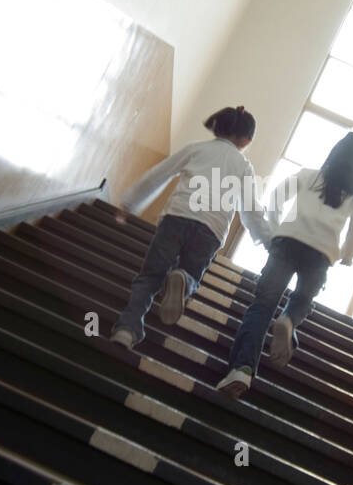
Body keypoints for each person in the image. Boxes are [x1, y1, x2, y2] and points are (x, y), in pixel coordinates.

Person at [216, 132, 353, 398]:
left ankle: (241, 369)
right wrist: (346, 254)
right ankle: (288, 320)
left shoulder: (309, 175)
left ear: (333, 154)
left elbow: (276, 196)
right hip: (320, 255)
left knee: (262, 307)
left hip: (287, 243)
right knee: (300, 301)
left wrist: (276, 229)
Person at [110, 105, 271, 348]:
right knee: (191, 273)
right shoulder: (244, 167)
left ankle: (126, 330)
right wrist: (270, 243)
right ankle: (184, 279)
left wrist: (129, 204)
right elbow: (251, 210)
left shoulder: (196, 149)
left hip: (177, 217)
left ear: (217, 128)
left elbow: (158, 175)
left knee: (149, 277)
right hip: (212, 230)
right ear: (247, 140)